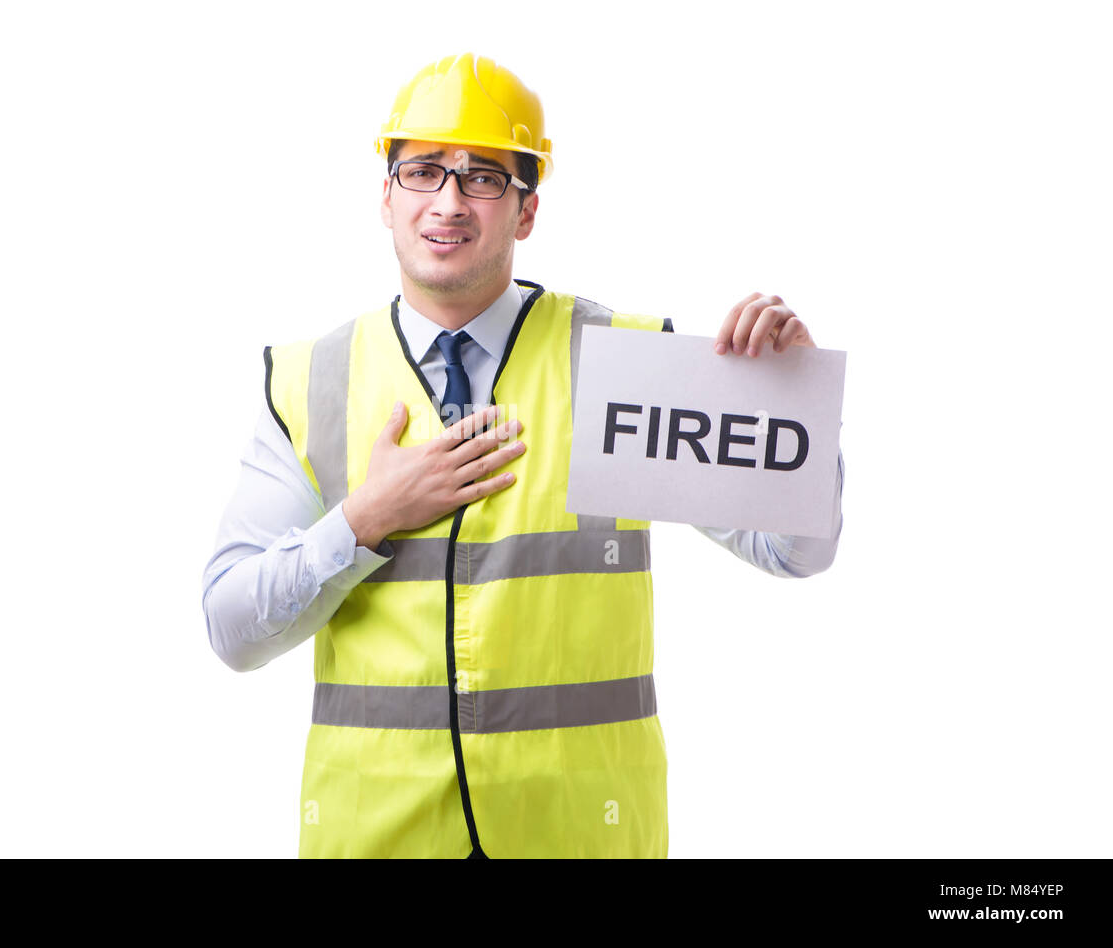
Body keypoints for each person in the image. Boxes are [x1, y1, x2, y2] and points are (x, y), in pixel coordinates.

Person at [201, 53, 844, 858]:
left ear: (527, 210)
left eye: (482, 178)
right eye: (425, 170)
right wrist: (365, 520)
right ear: (386, 196)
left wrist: (796, 403)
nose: (449, 201)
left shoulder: (621, 364)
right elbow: (231, 628)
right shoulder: (309, 380)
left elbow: (794, 551)